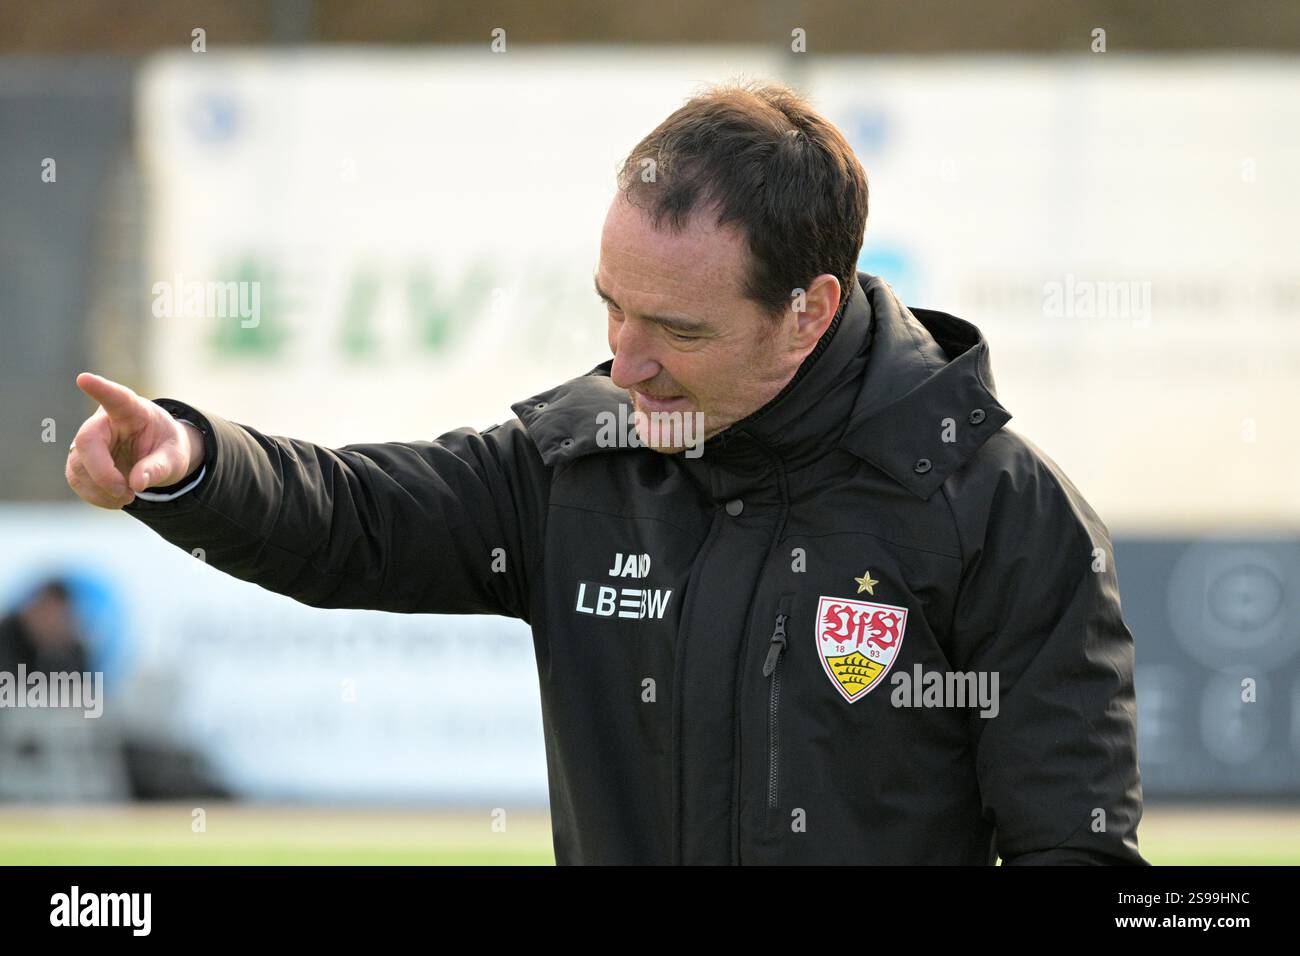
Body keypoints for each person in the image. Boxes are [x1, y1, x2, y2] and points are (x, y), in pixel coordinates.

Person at [64, 80, 1146, 865]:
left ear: (807, 311)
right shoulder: (584, 458)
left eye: (674, 325)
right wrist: (196, 462)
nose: (624, 359)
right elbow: (357, 516)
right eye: (609, 305)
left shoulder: (999, 511)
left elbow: (1077, 847)